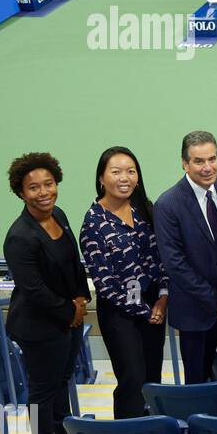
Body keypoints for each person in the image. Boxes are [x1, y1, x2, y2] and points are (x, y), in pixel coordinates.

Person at [3, 153, 90, 434]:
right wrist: (71, 312)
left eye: (48, 184)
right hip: (38, 325)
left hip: (68, 318)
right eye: (34, 188)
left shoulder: (60, 215)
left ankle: (60, 433)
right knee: (42, 389)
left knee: (62, 379)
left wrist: (81, 298)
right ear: (21, 192)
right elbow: (33, 290)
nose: (43, 193)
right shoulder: (19, 237)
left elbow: (72, 262)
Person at [153, 131, 217, 385]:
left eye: (212, 159)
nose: (207, 168)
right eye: (199, 161)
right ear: (185, 163)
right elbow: (175, 264)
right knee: (198, 383)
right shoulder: (168, 204)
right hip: (196, 313)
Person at [79, 147, 167, 419]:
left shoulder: (146, 210)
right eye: (115, 172)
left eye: (130, 171)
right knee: (132, 377)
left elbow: (161, 258)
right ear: (101, 179)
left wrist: (162, 298)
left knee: (152, 376)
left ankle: (154, 432)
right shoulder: (93, 223)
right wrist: (146, 310)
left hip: (155, 306)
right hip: (121, 313)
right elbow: (106, 285)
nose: (124, 178)